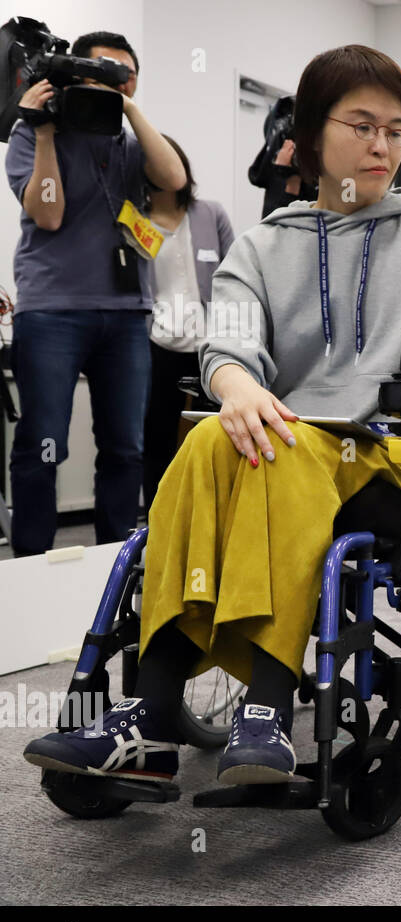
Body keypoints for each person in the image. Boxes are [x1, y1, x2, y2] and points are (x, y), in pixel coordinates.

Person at [23, 43, 401, 788]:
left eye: (396, 128)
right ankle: (152, 721)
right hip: (277, 435)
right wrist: (236, 386)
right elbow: (229, 345)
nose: (382, 144)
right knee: (202, 445)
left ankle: (269, 705)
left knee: (273, 448)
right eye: (363, 125)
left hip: (383, 452)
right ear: (313, 134)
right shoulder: (261, 245)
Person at [4, 31, 186, 557]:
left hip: (127, 314)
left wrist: (125, 104)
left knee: (125, 449)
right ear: (71, 69)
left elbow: (173, 177)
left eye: (126, 74)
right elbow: (49, 213)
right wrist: (42, 133)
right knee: (42, 445)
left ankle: (113, 563)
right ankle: (32, 562)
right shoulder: (31, 134)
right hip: (52, 311)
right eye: (102, 69)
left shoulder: (131, 142)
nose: (114, 79)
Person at [143, 134, 235, 511]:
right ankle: (157, 516)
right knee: (157, 435)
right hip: (156, 341)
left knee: (216, 433)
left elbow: (235, 274)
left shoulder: (210, 213)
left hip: (208, 344)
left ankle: (213, 513)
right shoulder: (133, 219)